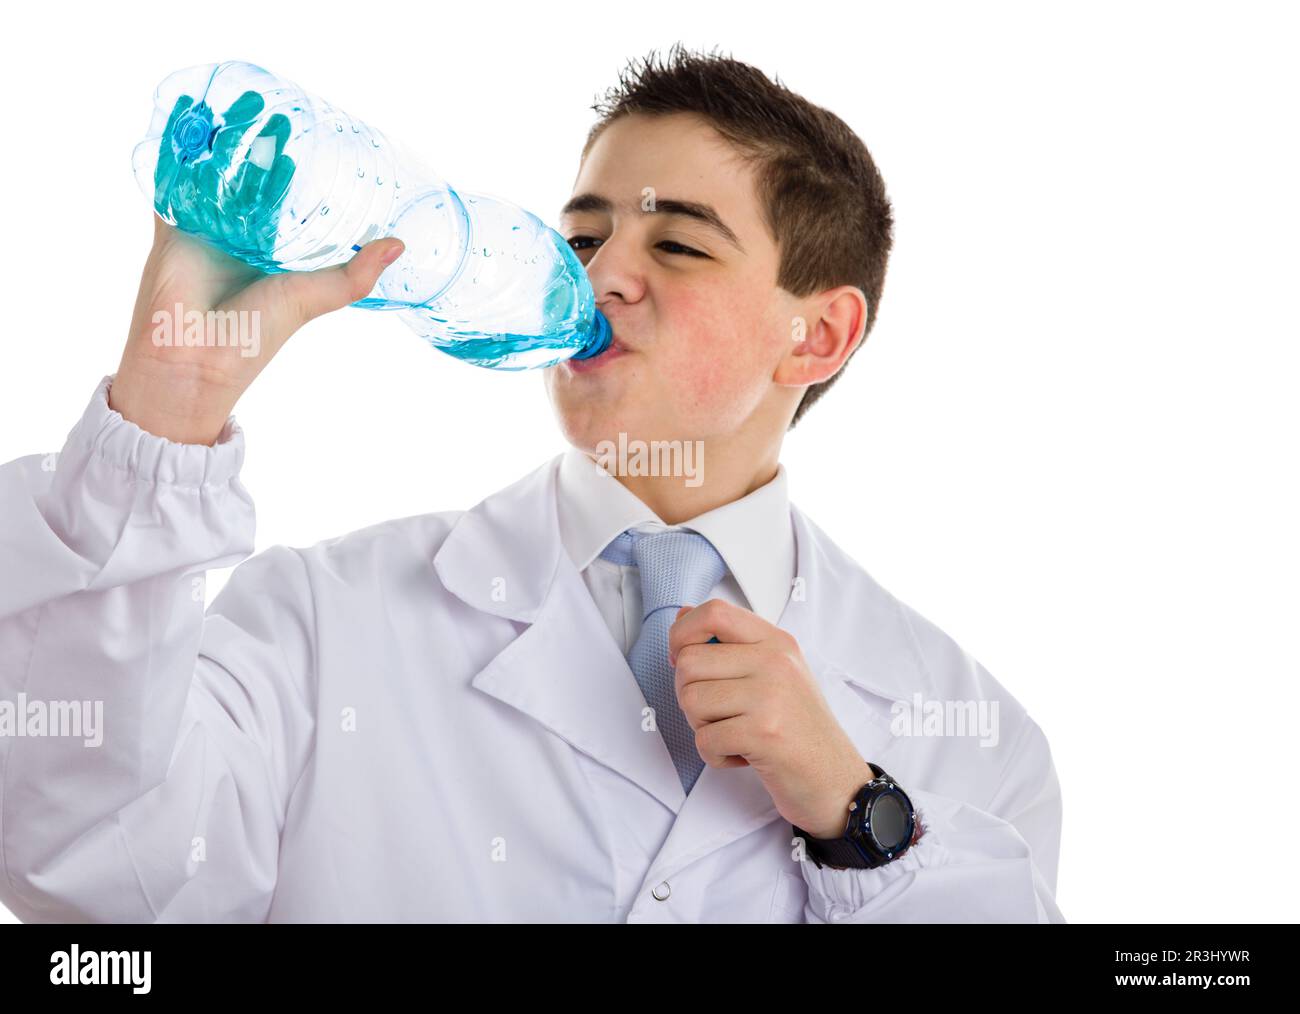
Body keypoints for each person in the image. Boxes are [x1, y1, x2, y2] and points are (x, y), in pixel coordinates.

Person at [0, 45, 1064, 923]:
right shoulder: (323, 623)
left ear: (818, 333)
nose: (603, 276)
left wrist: (857, 817)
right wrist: (171, 396)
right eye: (586, 233)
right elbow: (87, 872)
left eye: (679, 243)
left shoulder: (967, 735)